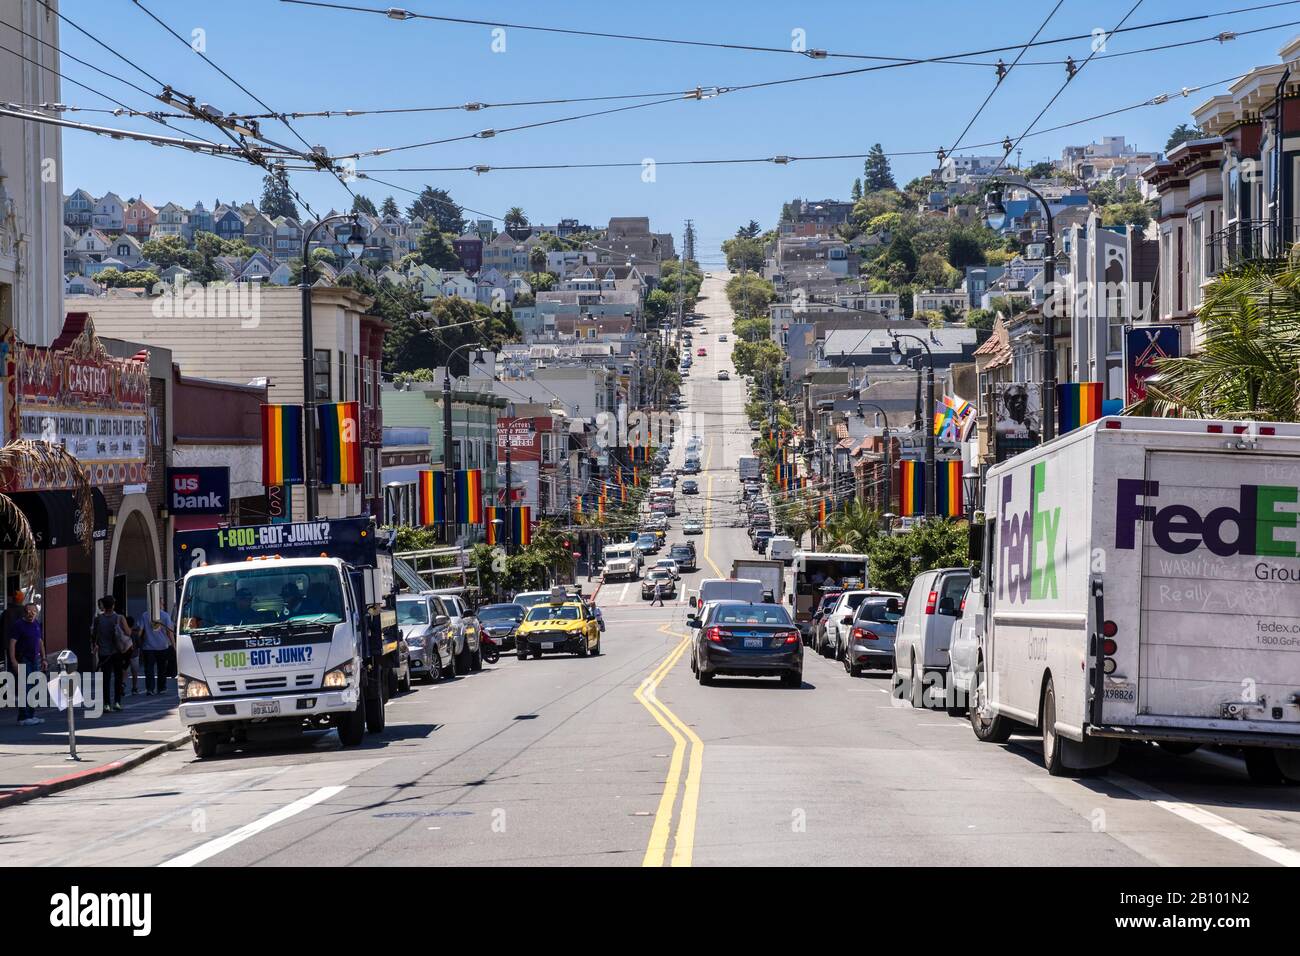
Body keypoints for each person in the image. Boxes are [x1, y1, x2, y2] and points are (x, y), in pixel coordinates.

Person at [9, 604, 45, 725]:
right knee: (25, 688)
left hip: (35, 659)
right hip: (24, 659)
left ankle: (31, 715)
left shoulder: (36, 624)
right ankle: (23, 717)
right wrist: (13, 661)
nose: (31, 614)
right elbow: (12, 643)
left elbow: (40, 641)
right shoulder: (18, 625)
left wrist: (44, 658)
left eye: (33, 612)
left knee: (34, 687)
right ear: (24, 613)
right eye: (29, 612)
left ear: (36, 612)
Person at [92, 596, 130, 712]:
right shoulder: (119, 618)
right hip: (117, 652)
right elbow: (128, 632)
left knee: (105, 679)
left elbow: (94, 635)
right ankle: (117, 702)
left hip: (104, 653)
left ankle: (106, 704)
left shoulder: (98, 618)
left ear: (103, 606)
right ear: (113, 605)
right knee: (118, 678)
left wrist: (95, 646)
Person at [140, 609, 172, 696]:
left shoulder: (145, 615)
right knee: (162, 668)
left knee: (149, 669)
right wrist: (174, 644)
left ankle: (150, 689)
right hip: (162, 646)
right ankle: (161, 688)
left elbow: (140, 630)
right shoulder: (165, 615)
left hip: (148, 646)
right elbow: (169, 632)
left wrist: (137, 642)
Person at [124, 615, 143, 694]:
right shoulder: (134, 633)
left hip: (124, 654)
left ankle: (122, 685)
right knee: (134, 672)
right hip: (134, 655)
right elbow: (139, 644)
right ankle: (134, 688)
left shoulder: (123, 632)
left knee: (124, 671)